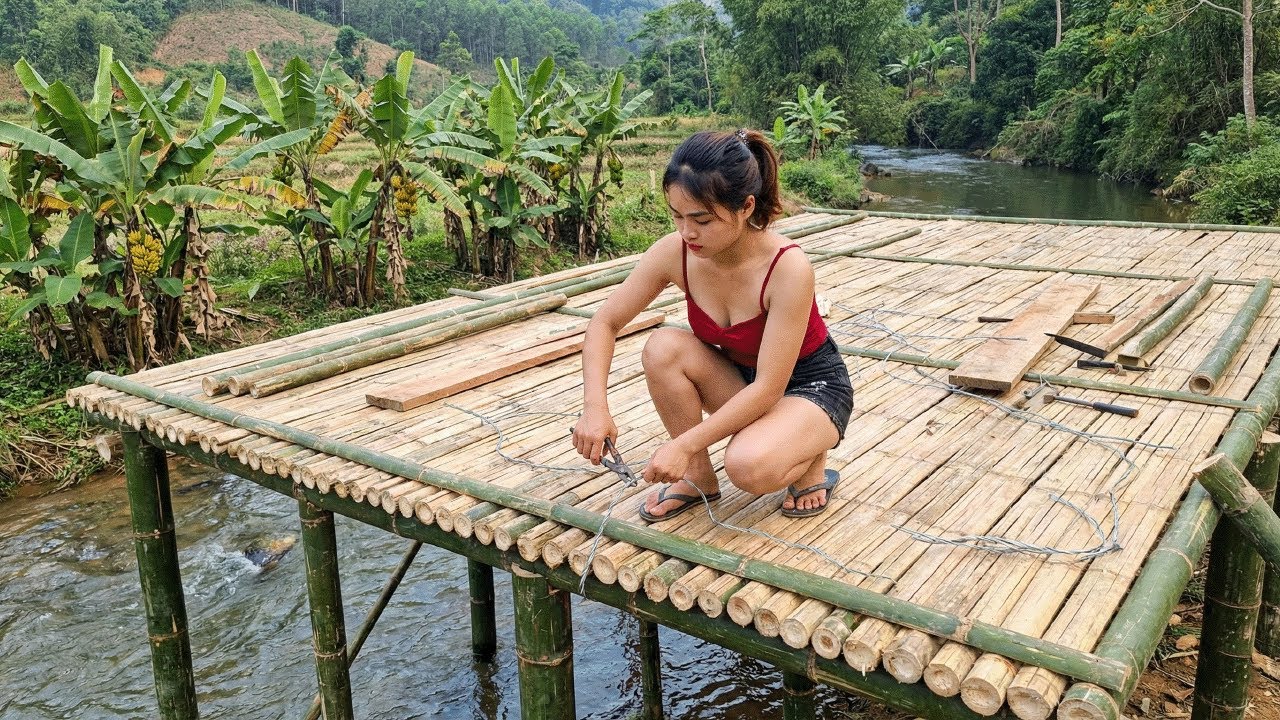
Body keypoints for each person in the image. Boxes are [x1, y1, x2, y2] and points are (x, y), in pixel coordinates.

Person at [571, 129, 853, 522]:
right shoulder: (675, 252)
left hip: (809, 386)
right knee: (663, 347)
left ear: (745, 207)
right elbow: (606, 321)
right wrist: (594, 408)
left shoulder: (787, 267)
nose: (687, 232)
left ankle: (810, 458)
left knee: (749, 467)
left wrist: (682, 443)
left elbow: (770, 388)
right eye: (676, 216)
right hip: (741, 379)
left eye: (702, 219)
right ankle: (698, 479)